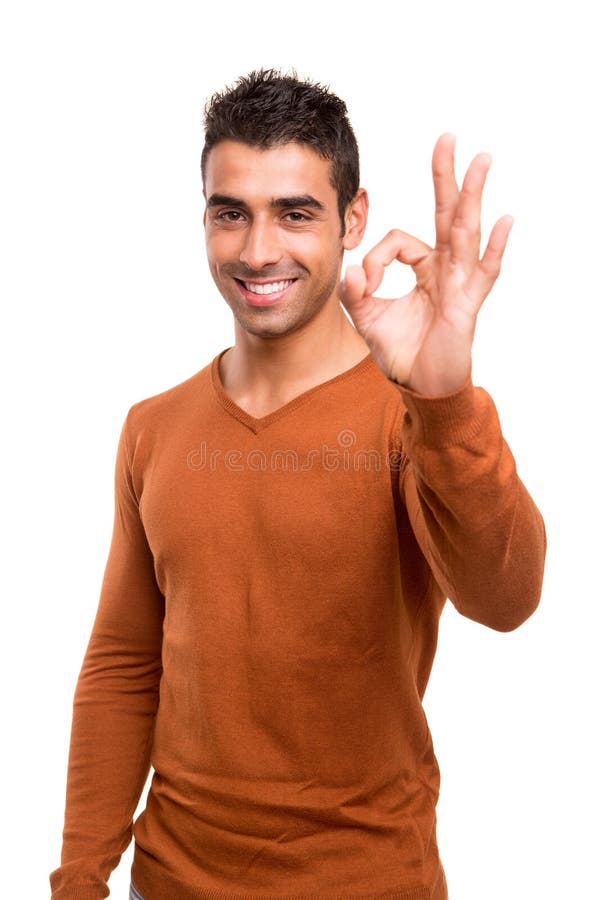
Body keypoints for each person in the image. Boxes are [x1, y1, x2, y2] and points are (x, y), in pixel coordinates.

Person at [49, 68, 546, 900]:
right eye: (231, 212)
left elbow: (508, 598)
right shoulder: (152, 428)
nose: (257, 251)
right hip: (168, 881)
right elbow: (124, 663)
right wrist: (79, 880)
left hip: (369, 882)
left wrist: (445, 400)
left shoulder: (410, 418)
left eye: (295, 212)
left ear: (353, 219)